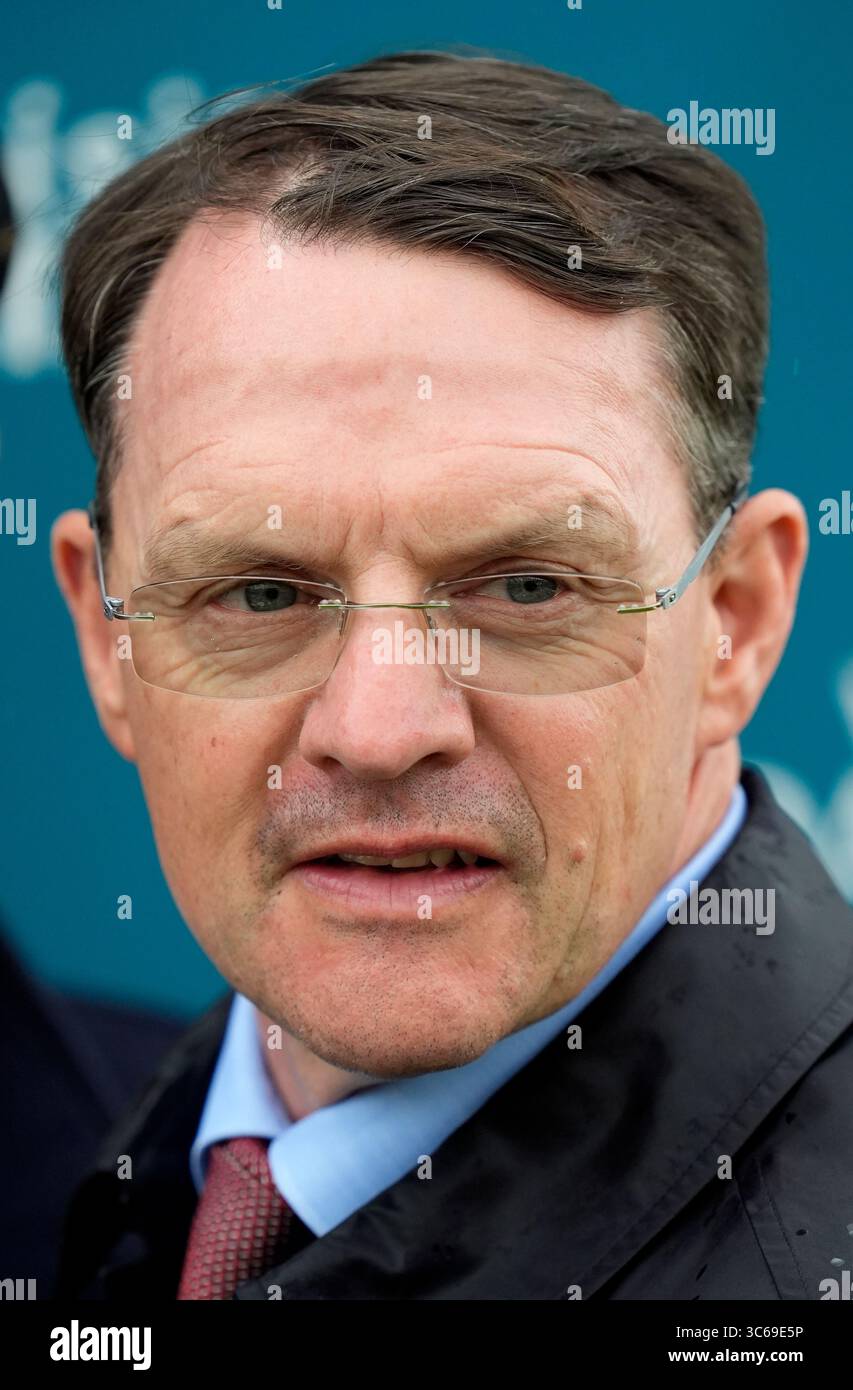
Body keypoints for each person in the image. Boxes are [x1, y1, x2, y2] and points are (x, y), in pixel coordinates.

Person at [49, 51, 852, 1302]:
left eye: (524, 587)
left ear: (735, 624)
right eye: (261, 593)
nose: (377, 728)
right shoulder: (116, 1168)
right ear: (112, 642)